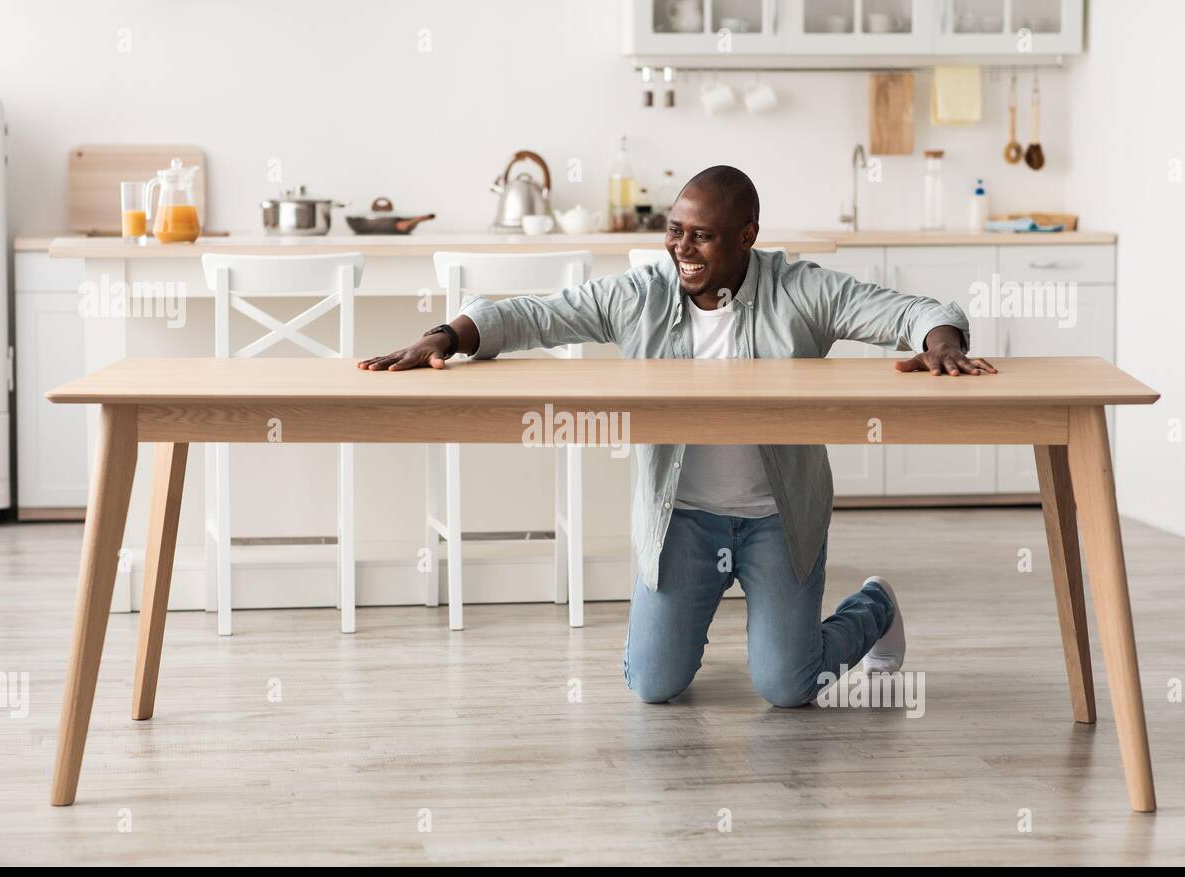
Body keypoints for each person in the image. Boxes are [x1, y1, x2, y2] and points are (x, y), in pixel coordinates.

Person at [359, 166, 997, 708]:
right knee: (652, 686)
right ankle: (682, 626)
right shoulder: (644, 295)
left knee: (787, 687)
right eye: (675, 231)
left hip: (778, 519)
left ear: (747, 237)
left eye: (703, 236)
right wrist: (445, 336)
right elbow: (535, 314)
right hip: (683, 520)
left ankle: (875, 606)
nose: (683, 249)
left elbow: (910, 311)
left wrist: (941, 341)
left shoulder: (799, 291)